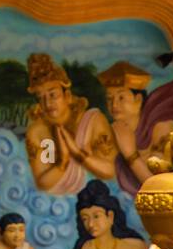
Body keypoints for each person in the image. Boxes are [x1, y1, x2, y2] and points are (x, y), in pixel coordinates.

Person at [24, 53, 117, 195]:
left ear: (67, 96)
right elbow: (42, 183)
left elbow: (110, 170)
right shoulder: (37, 132)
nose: (47, 103)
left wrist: (78, 154)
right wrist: (63, 162)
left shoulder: (92, 121)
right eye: (41, 98)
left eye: (52, 95)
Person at [98, 55, 173, 198]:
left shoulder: (160, 128)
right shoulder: (113, 130)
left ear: (138, 100)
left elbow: (158, 187)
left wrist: (131, 155)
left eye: (121, 98)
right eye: (109, 98)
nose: (114, 105)